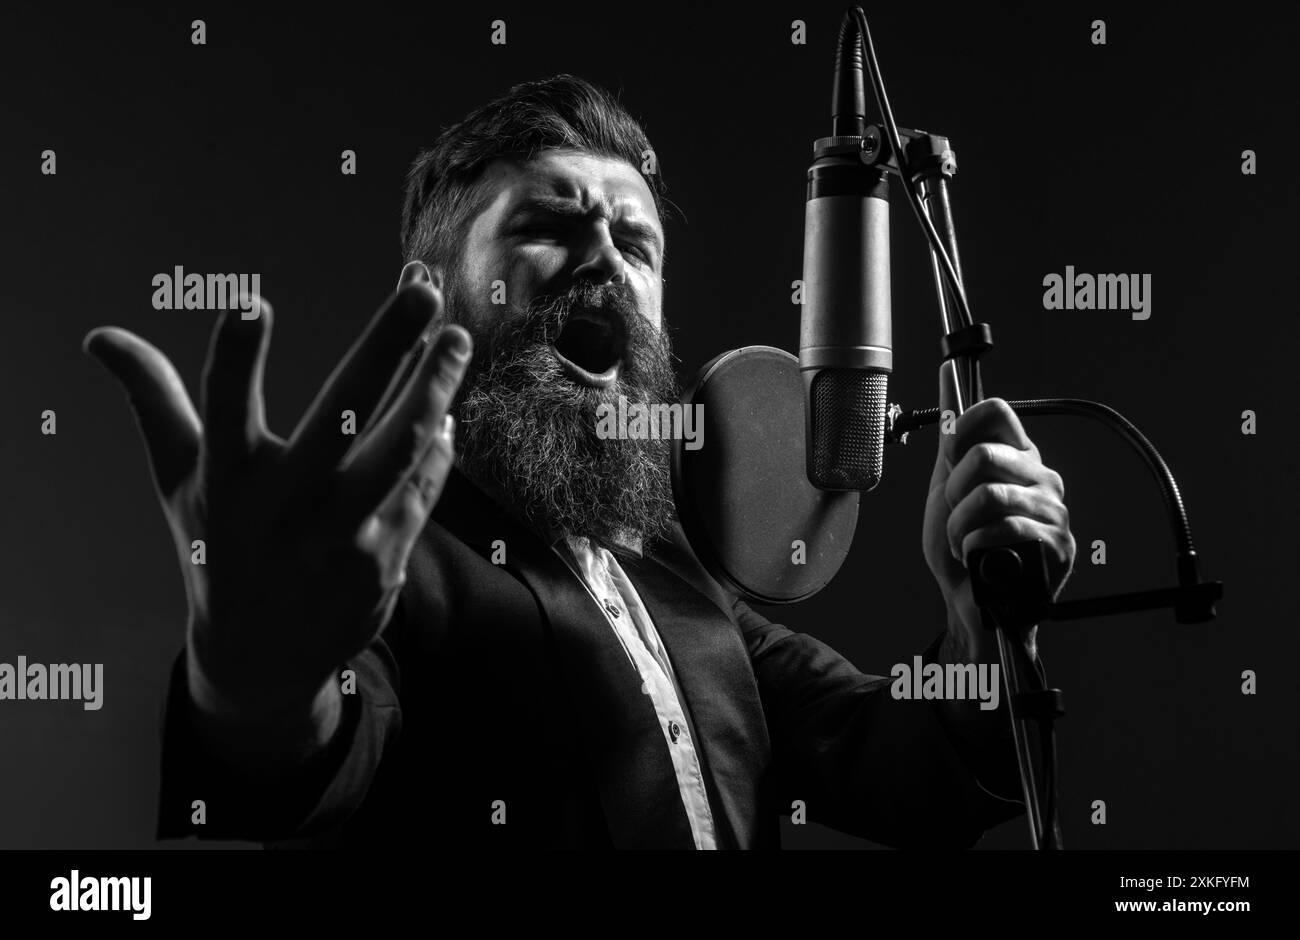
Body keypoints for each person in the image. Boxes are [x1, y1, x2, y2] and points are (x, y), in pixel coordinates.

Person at [84, 74, 1075, 849]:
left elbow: (906, 767)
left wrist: (973, 625)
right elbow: (312, 749)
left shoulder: (684, 582)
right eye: (549, 227)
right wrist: (254, 687)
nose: (605, 256)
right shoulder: (390, 573)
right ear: (434, 287)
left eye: (636, 241)